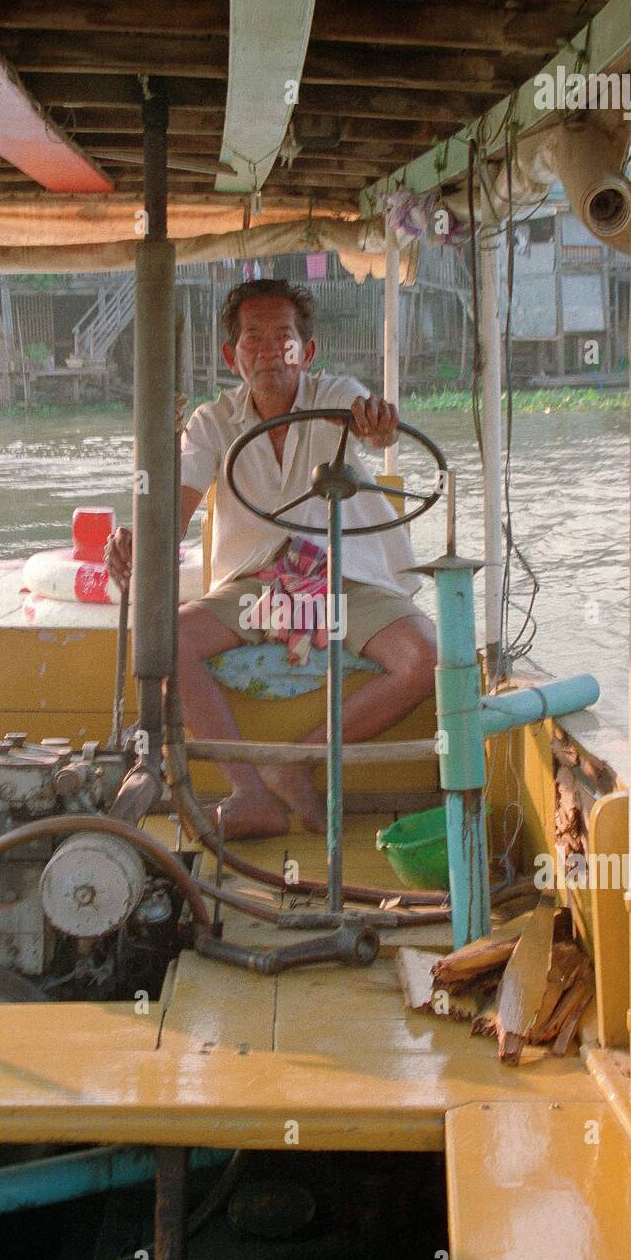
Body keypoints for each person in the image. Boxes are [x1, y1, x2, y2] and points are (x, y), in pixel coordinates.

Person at [106, 278, 437, 839]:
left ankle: (296, 760)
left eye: (283, 337)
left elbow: (368, 421)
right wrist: (139, 539)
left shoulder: (334, 394)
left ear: (305, 353)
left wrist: (375, 423)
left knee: (427, 657)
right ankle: (251, 793)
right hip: (256, 586)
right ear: (231, 357)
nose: (268, 351)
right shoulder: (211, 423)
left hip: (344, 578)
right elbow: (175, 510)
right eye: (252, 338)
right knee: (165, 641)